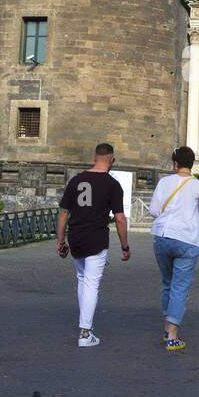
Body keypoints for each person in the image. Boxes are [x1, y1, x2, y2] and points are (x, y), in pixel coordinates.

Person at [57, 143, 130, 347]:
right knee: (91, 283)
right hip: (96, 237)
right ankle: (85, 332)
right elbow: (120, 218)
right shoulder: (112, 184)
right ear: (112, 159)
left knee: (82, 279)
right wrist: (125, 246)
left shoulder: (76, 180)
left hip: (76, 236)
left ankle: (85, 325)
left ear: (94, 157)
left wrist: (60, 241)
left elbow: (63, 213)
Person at [149, 147, 199, 352]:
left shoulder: (164, 182)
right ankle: (172, 336)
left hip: (162, 237)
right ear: (192, 164)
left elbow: (153, 211)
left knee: (167, 283)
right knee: (180, 287)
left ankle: (166, 326)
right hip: (187, 240)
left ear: (175, 164)